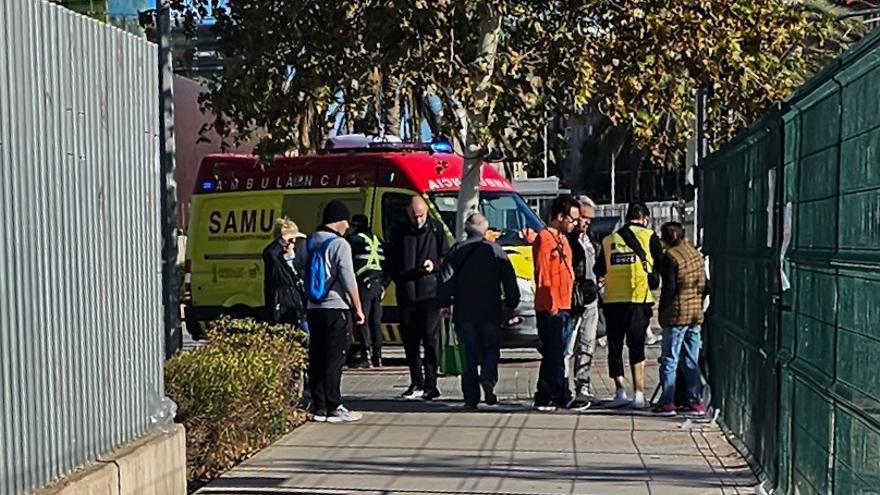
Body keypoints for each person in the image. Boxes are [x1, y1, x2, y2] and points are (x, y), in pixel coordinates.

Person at [440, 212, 520, 410]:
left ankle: (471, 398)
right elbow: (509, 281)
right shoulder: (496, 250)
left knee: (467, 354)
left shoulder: (457, 250)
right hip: (490, 310)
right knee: (490, 348)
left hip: (464, 311)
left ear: (466, 229)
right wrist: (511, 304)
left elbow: (445, 279)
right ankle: (488, 378)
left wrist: (444, 303)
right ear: (485, 229)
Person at [299, 200, 366, 423]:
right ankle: (334, 406)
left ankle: (319, 407)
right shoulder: (340, 245)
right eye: (346, 222)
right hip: (336, 308)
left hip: (313, 308)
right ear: (339, 220)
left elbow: (299, 268)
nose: (348, 227)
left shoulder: (307, 242)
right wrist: (358, 308)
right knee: (334, 358)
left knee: (317, 356)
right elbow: (349, 279)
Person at [595, 202, 664, 409]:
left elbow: (599, 268)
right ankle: (639, 394)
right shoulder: (649, 236)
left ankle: (620, 391)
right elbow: (661, 264)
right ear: (646, 218)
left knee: (615, 346)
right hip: (638, 299)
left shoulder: (609, 240)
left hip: (612, 301)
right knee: (637, 345)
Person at [387, 196, 450, 401]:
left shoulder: (436, 229)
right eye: (414, 216)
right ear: (408, 213)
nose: (418, 220)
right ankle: (416, 382)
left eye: (421, 216)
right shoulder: (399, 231)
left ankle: (431, 384)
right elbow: (391, 258)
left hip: (430, 294)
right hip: (407, 293)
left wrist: (435, 265)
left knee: (430, 339)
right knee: (410, 341)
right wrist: (397, 278)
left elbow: (446, 256)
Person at [533, 195, 587, 412]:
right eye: (572, 219)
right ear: (560, 216)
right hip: (551, 305)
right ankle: (558, 394)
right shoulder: (545, 238)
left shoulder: (564, 239)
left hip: (565, 303)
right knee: (554, 353)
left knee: (555, 353)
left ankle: (545, 394)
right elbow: (542, 274)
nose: (574, 224)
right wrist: (551, 304)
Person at [653, 222, 707, 417]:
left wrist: (662, 311)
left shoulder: (671, 256)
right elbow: (706, 285)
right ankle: (694, 401)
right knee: (691, 359)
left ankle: (667, 402)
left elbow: (669, 288)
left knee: (670, 359)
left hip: (677, 315)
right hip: (695, 314)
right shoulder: (696, 255)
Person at [564, 196, 600, 407]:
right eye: (584, 217)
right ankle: (564, 386)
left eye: (590, 219)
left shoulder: (589, 240)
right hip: (573, 299)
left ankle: (582, 385)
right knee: (569, 346)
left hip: (590, 297)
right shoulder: (568, 239)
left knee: (587, 342)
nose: (587, 222)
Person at [346, 214, 388, 368]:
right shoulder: (379, 241)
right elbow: (389, 265)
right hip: (378, 285)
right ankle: (378, 356)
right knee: (375, 322)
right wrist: (384, 284)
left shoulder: (353, 241)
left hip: (363, 285)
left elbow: (347, 264)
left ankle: (366, 355)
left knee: (362, 320)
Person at [262, 217, 307, 328]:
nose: (291, 243)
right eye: (289, 240)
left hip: (300, 310)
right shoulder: (274, 259)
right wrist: (284, 239)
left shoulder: (298, 257)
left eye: (293, 240)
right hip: (281, 310)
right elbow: (269, 253)